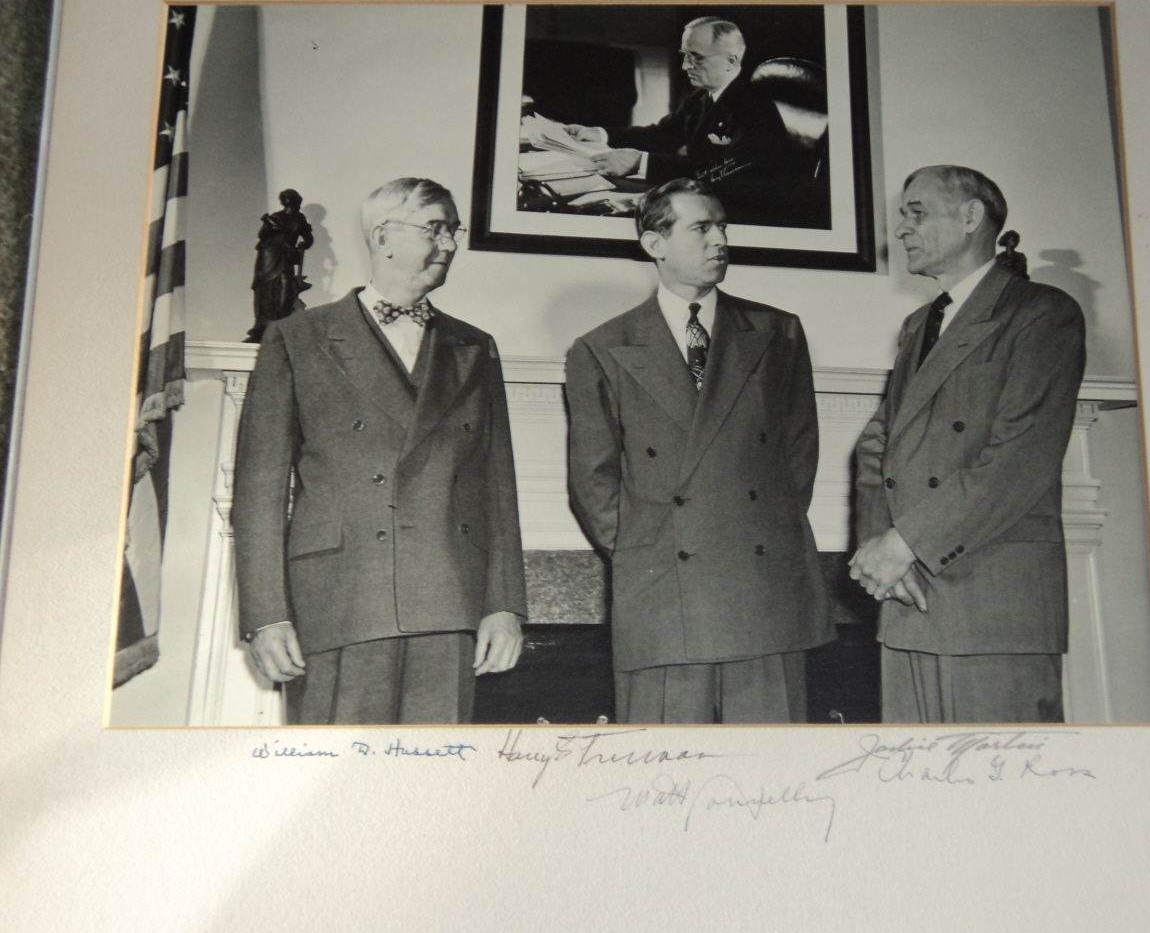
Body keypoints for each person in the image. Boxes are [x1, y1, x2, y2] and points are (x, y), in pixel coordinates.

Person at [232, 177, 526, 725]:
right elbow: (258, 492)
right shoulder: (299, 338)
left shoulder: (474, 346)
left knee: (431, 781)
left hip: (448, 597)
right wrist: (266, 615)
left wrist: (503, 605)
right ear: (384, 236)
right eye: (436, 228)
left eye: (454, 231)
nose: (452, 244)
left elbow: (497, 487)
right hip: (341, 597)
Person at [565, 178, 834, 724]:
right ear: (654, 244)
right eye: (701, 228)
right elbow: (593, 479)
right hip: (664, 594)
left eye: (723, 226)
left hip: (763, 588)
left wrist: (762, 527)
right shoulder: (601, 347)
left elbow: (798, 454)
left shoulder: (778, 332)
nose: (720, 240)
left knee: (772, 774)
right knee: (664, 773)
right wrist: (648, 547)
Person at [850, 165, 1086, 724]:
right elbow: (874, 446)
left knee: (1003, 794)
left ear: (971, 217)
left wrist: (902, 545)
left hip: (993, 603)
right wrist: (876, 551)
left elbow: (1017, 460)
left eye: (916, 212)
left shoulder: (1042, 313)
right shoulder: (918, 324)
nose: (901, 230)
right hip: (908, 598)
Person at [564, 17, 815, 225]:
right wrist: (601, 134)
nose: (685, 66)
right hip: (707, 198)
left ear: (731, 60)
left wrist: (643, 162)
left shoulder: (755, 105)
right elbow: (662, 134)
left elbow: (727, 174)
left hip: (747, 213)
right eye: (685, 55)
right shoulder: (702, 97)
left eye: (697, 57)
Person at [245, 188, 314, 343]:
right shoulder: (276, 217)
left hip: (286, 255)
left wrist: (304, 244)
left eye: (291, 200)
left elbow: (308, 238)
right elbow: (261, 234)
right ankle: (263, 323)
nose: (289, 203)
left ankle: (281, 319)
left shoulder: (299, 219)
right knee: (266, 285)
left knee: (285, 283)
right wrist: (271, 226)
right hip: (269, 254)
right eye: (286, 200)